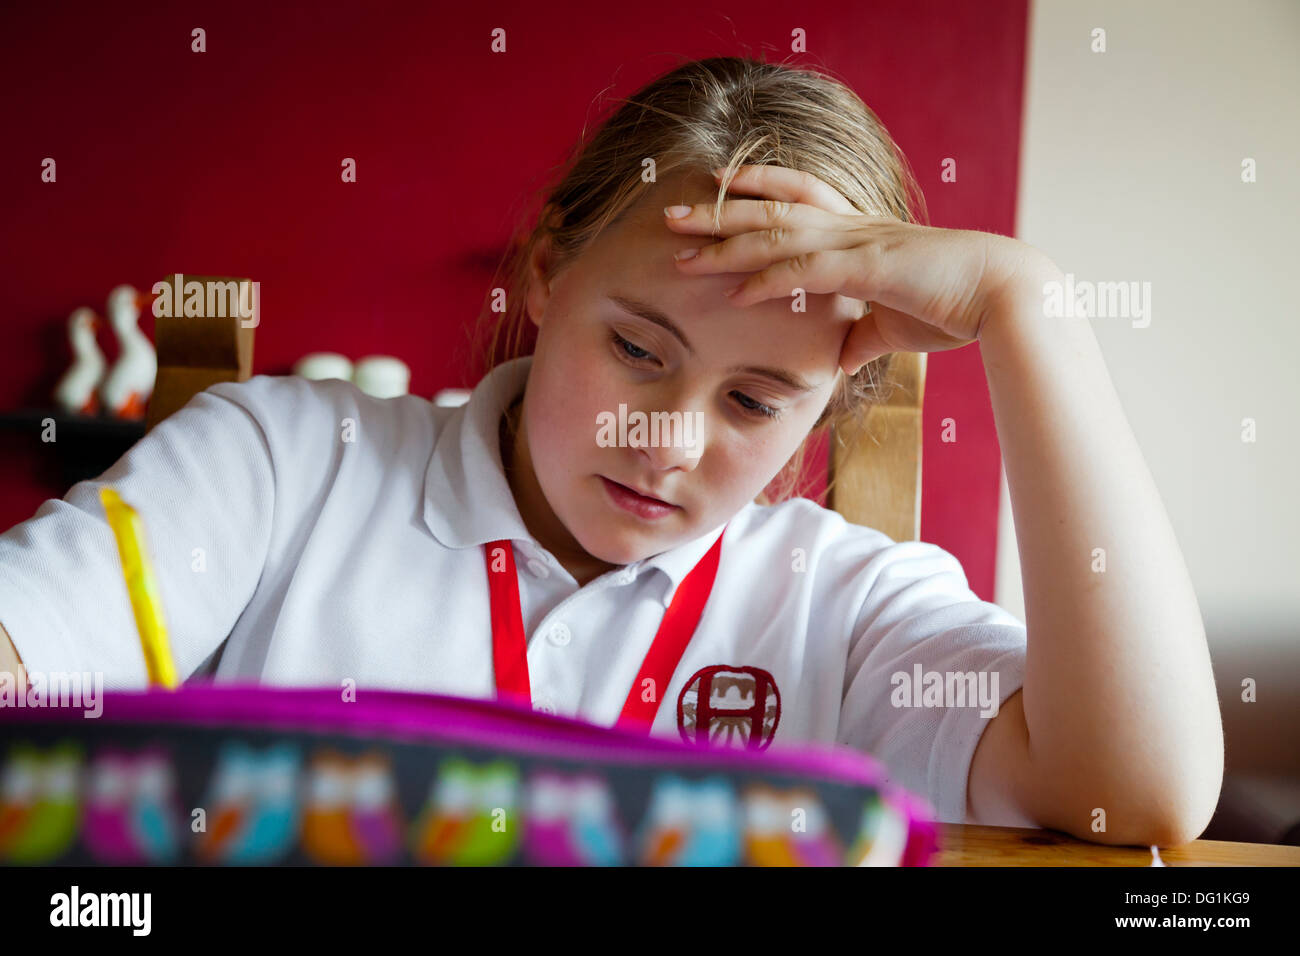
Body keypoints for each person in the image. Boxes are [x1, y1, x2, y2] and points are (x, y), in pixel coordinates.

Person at [0, 56, 1222, 842]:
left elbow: (1142, 789)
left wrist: (1029, 307)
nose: (667, 439)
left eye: (754, 400)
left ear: (831, 395)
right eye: (637, 350)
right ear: (545, 270)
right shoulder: (282, 461)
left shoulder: (840, 606)